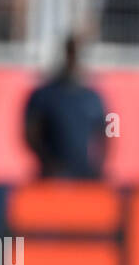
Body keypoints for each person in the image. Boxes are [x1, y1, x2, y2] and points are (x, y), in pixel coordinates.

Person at [22, 36, 107, 179]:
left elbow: (111, 125)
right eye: (70, 53)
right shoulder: (44, 95)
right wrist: (48, 162)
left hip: (85, 177)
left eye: (77, 54)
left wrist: (100, 164)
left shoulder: (94, 97)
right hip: (52, 179)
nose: (73, 59)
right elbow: (30, 132)